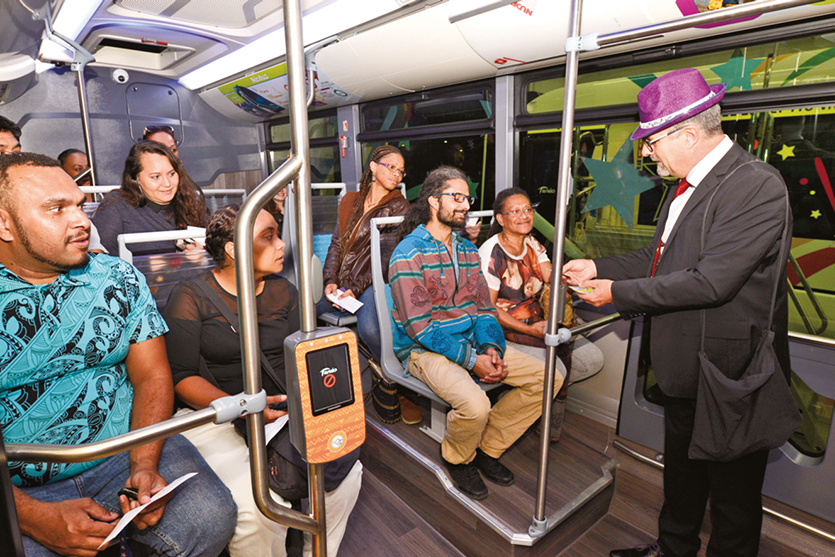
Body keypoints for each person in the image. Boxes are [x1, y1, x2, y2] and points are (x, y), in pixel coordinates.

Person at [562, 68, 792, 557]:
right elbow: (659, 259)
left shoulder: (756, 185)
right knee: (683, 480)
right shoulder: (684, 187)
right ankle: (673, 550)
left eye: (651, 141)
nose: (646, 152)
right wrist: (599, 264)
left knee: (732, 502)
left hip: (729, 377)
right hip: (685, 371)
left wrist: (616, 294)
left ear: (688, 134)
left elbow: (712, 281)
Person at [0, 153, 237, 556]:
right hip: (18, 483)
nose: (82, 222)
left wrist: (143, 463)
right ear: (4, 223)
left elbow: (152, 376)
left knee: (209, 516)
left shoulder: (117, 277)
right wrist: (32, 517)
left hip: (122, 448)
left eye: (78, 205)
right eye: (57, 209)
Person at [163, 205, 362, 557]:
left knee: (346, 476)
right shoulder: (190, 297)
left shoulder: (283, 292)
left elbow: (305, 359)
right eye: (268, 237)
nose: (281, 244)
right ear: (234, 248)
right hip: (215, 411)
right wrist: (241, 407)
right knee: (258, 507)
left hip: (280, 409)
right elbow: (181, 376)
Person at [389, 166, 562, 500]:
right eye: (457, 197)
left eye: (467, 198)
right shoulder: (408, 254)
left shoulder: (467, 251)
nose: (466, 205)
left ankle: (487, 448)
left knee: (549, 378)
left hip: (472, 341)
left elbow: (484, 308)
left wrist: (490, 346)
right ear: (432, 201)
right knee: (476, 405)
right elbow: (418, 326)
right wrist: (472, 361)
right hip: (422, 350)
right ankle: (458, 457)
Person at [478, 187, 604, 441]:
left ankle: (538, 410)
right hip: (506, 326)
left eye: (527, 209)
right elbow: (488, 309)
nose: (524, 215)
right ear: (501, 219)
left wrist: (574, 280)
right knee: (559, 365)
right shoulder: (491, 253)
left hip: (537, 319)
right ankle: (537, 414)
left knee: (583, 356)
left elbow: (549, 275)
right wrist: (530, 329)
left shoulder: (532, 243)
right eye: (515, 211)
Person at [318, 144, 411, 362]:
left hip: (374, 281)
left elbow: (387, 260)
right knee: (304, 313)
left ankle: (389, 372)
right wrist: (330, 280)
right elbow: (336, 244)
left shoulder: (400, 208)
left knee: (369, 329)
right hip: (343, 280)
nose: (396, 174)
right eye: (391, 167)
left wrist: (355, 289)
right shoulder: (350, 201)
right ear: (373, 167)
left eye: (400, 170)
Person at [93, 141, 208, 256]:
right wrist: (161, 263)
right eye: (156, 177)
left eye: (171, 174)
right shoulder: (116, 206)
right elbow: (100, 261)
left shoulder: (189, 200)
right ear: (135, 178)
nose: (167, 183)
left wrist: (204, 255)